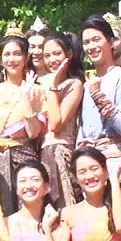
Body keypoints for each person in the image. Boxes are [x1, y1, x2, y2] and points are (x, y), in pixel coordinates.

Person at [0, 32, 45, 213]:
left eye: (17, 54)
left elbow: (33, 133)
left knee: (28, 208)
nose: (12, 59)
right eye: (7, 54)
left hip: (23, 156)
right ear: (0, 58)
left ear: (26, 57)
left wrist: (25, 96)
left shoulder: (36, 90)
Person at [78, 14, 121, 197]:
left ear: (111, 42)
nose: (91, 46)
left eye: (97, 39)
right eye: (87, 42)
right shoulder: (88, 82)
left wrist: (99, 96)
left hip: (116, 166)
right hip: (91, 169)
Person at [38, 31, 83, 207]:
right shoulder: (42, 83)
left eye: (57, 53)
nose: (52, 59)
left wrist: (54, 87)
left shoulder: (73, 84)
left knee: (65, 205)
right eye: (47, 56)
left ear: (69, 54)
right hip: (43, 151)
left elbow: (55, 124)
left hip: (61, 151)